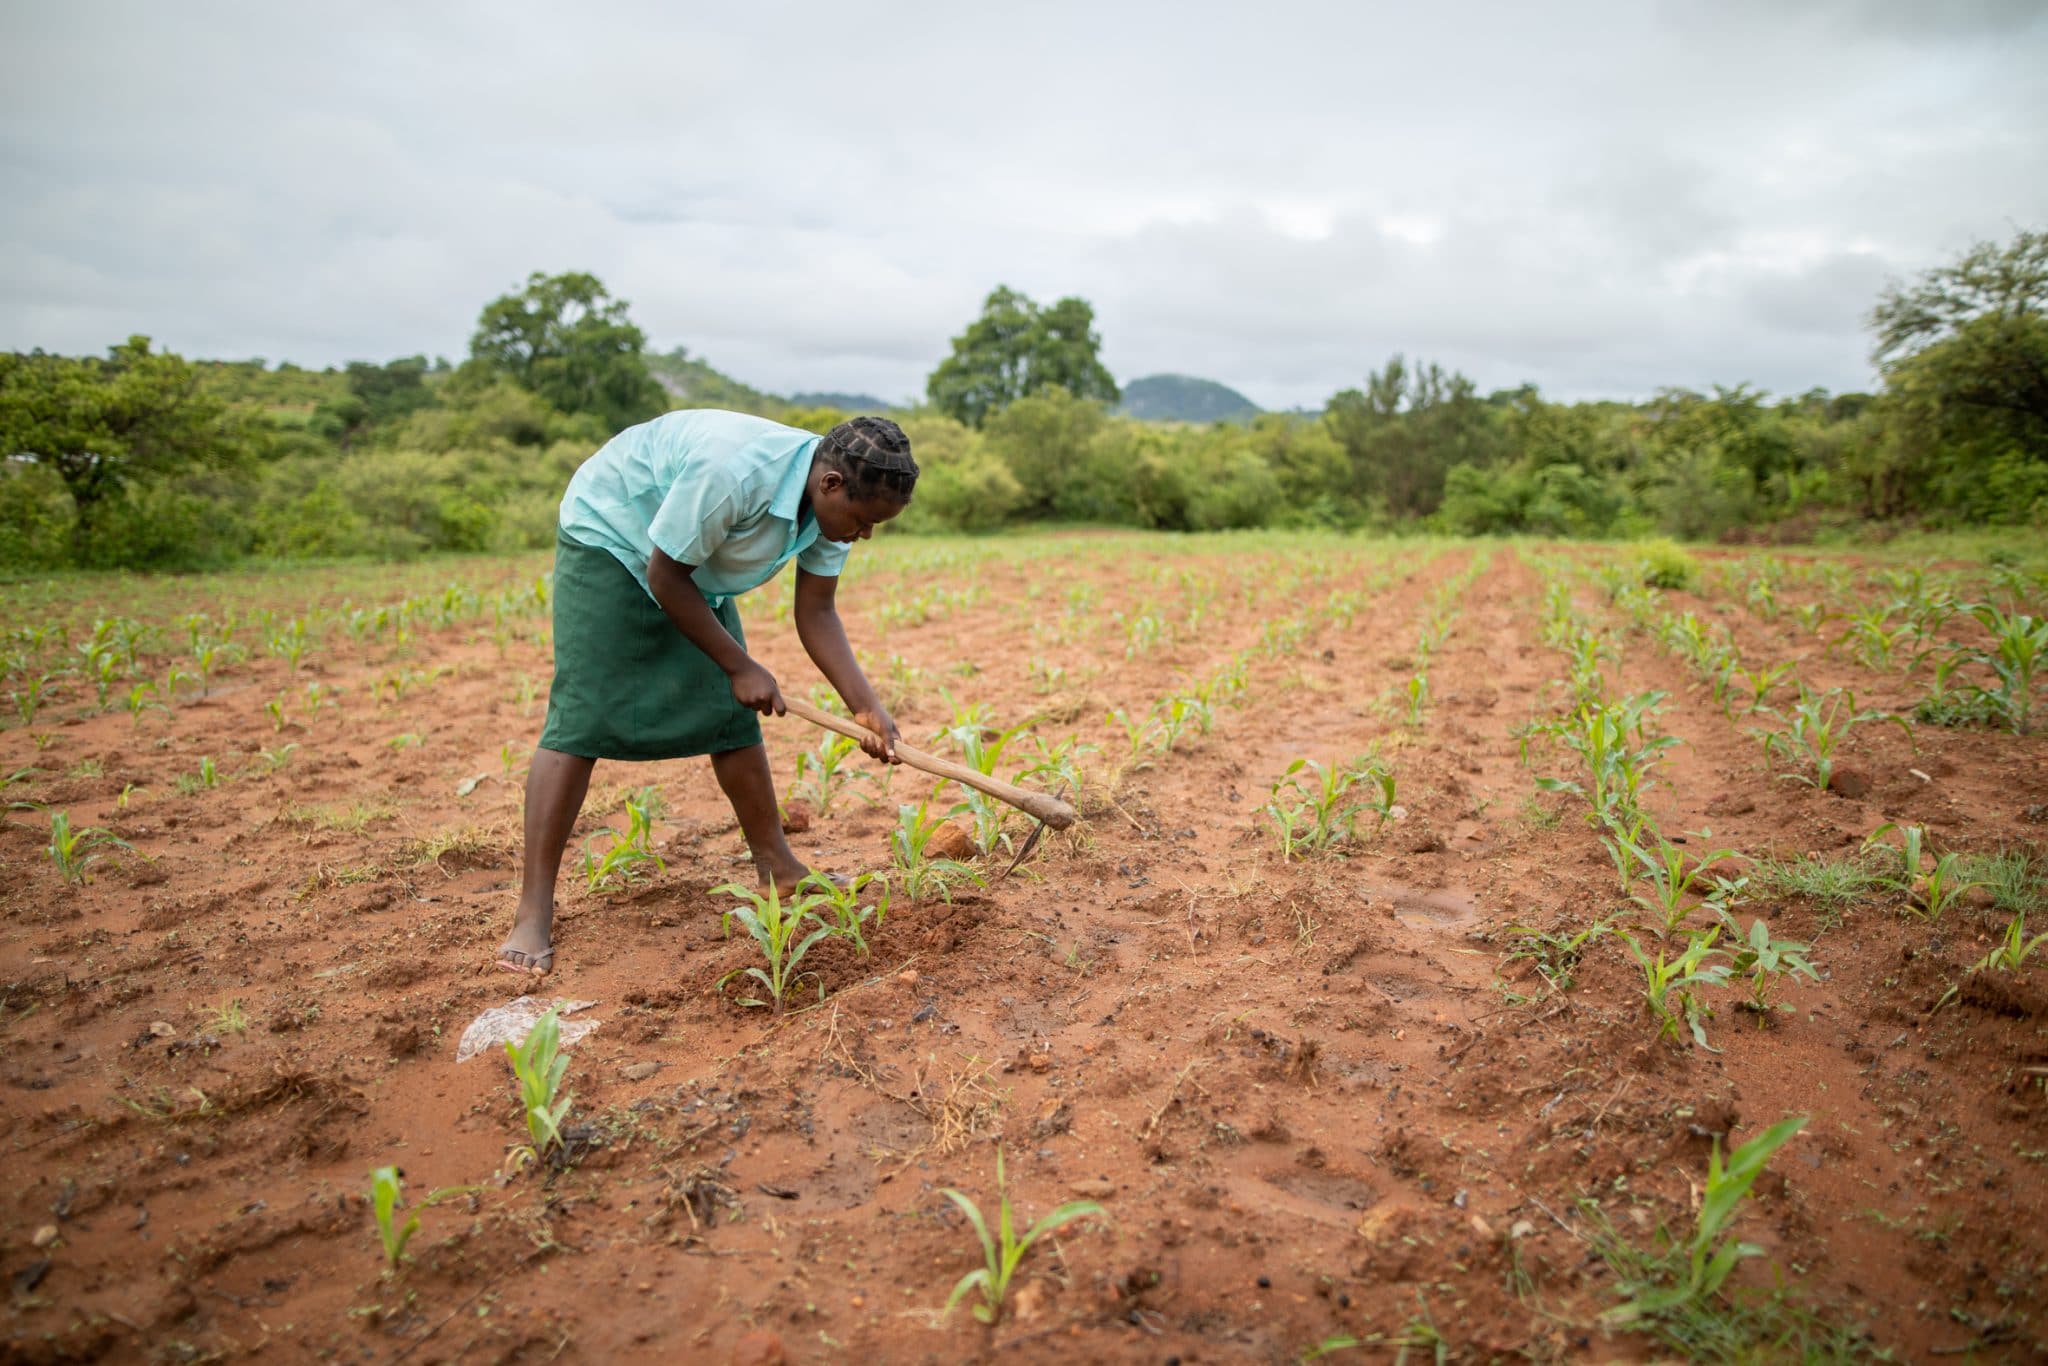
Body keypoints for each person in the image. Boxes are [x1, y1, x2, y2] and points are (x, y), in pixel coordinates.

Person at [495, 410, 917, 975]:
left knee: (731, 717)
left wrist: (867, 707)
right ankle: (533, 908)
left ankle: (779, 868)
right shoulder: (735, 472)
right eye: (863, 521)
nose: (864, 533)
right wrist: (741, 663)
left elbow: (817, 611)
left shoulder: (834, 500)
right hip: (614, 533)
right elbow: (664, 575)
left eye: (875, 526)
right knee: (581, 718)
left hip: (688, 565)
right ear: (831, 485)